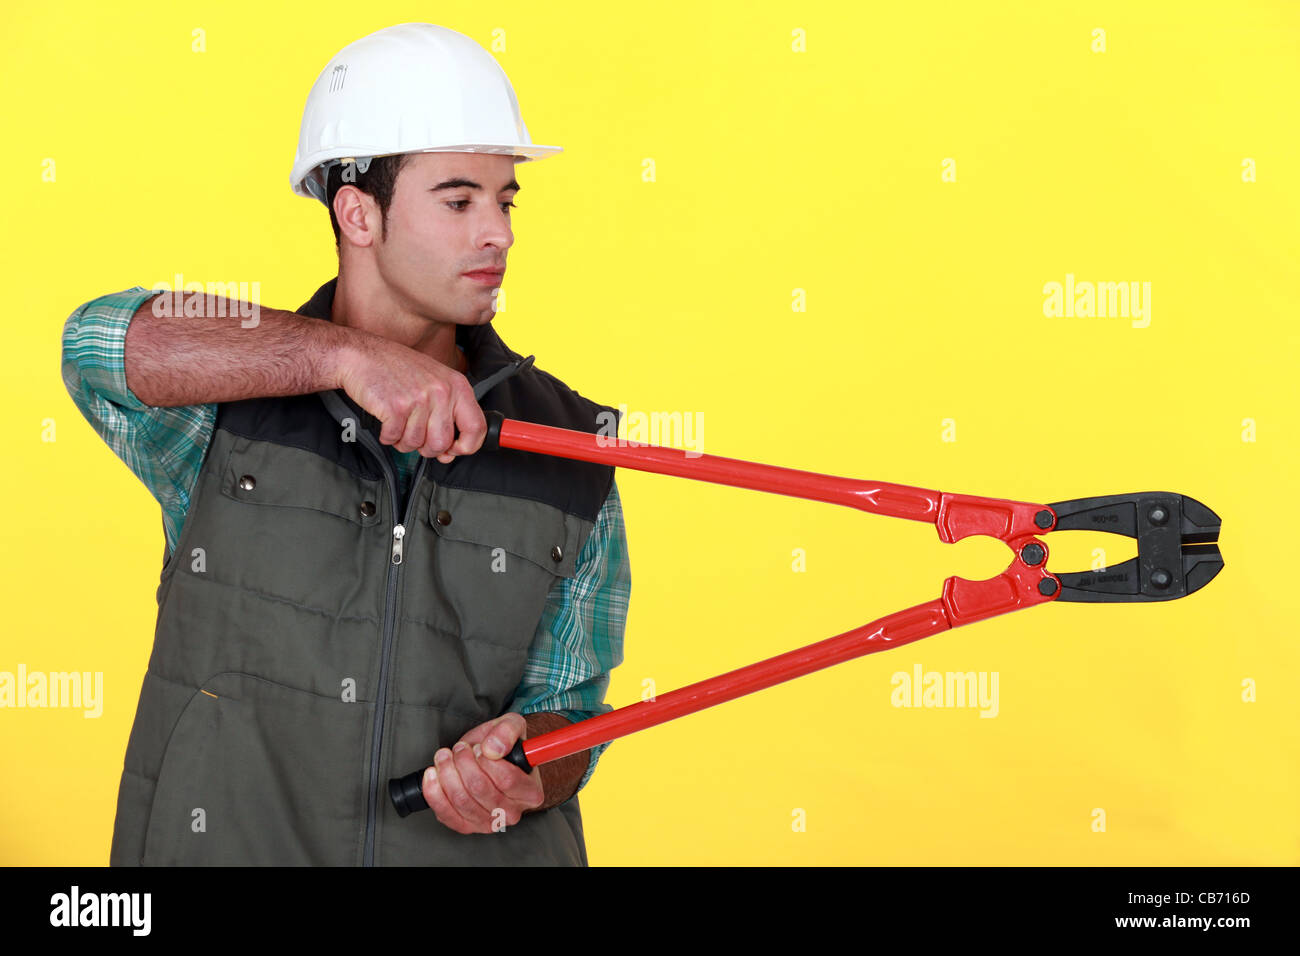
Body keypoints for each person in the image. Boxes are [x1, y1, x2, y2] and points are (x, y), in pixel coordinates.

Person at [59, 22, 630, 866]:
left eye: (504, 201)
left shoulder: (569, 446)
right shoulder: (226, 408)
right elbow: (95, 343)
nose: (499, 234)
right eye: (458, 199)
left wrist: (527, 770)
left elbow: (573, 717)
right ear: (358, 212)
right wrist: (342, 354)